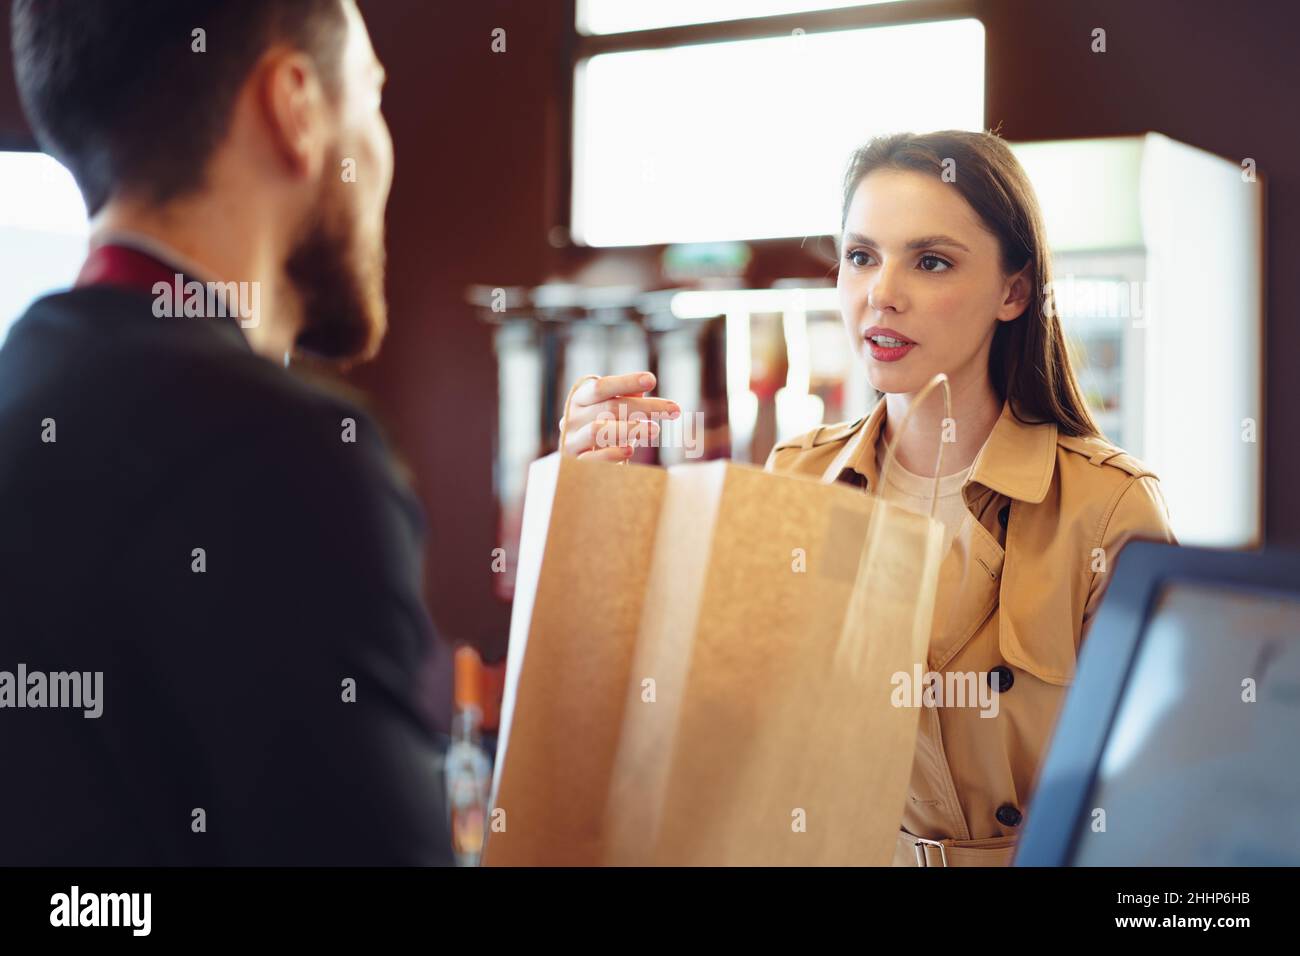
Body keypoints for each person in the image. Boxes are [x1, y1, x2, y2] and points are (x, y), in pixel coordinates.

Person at [561, 129, 1176, 867]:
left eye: (930, 261)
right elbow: (694, 726)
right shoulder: (797, 479)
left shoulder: (1108, 509)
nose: (881, 294)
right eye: (861, 257)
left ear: (1013, 291)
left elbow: (1165, 808)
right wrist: (597, 508)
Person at [0, 0, 452, 864]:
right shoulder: (288, 457)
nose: (384, 149)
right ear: (297, 108)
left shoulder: (20, 383)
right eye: (372, 94)